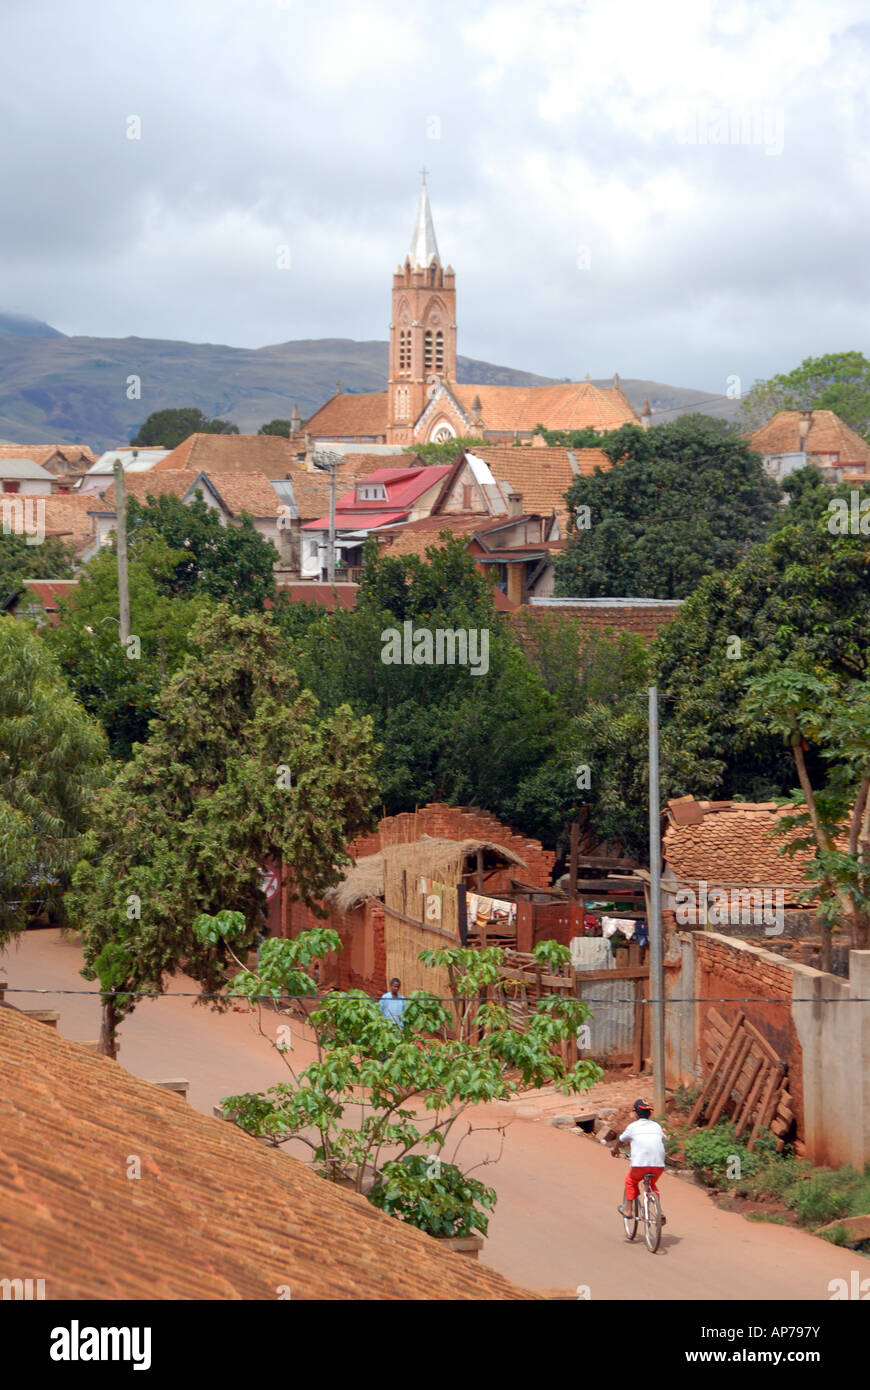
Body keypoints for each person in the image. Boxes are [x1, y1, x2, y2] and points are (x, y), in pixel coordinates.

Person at [612, 1098, 667, 1222]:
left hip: (640, 1165)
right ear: (649, 1114)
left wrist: (615, 1150)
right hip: (658, 1165)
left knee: (631, 1181)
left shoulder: (633, 1127)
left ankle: (628, 1210)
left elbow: (621, 1140)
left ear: (636, 1113)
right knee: (651, 1184)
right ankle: (660, 1212)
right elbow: (663, 1139)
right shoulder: (656, 1126)